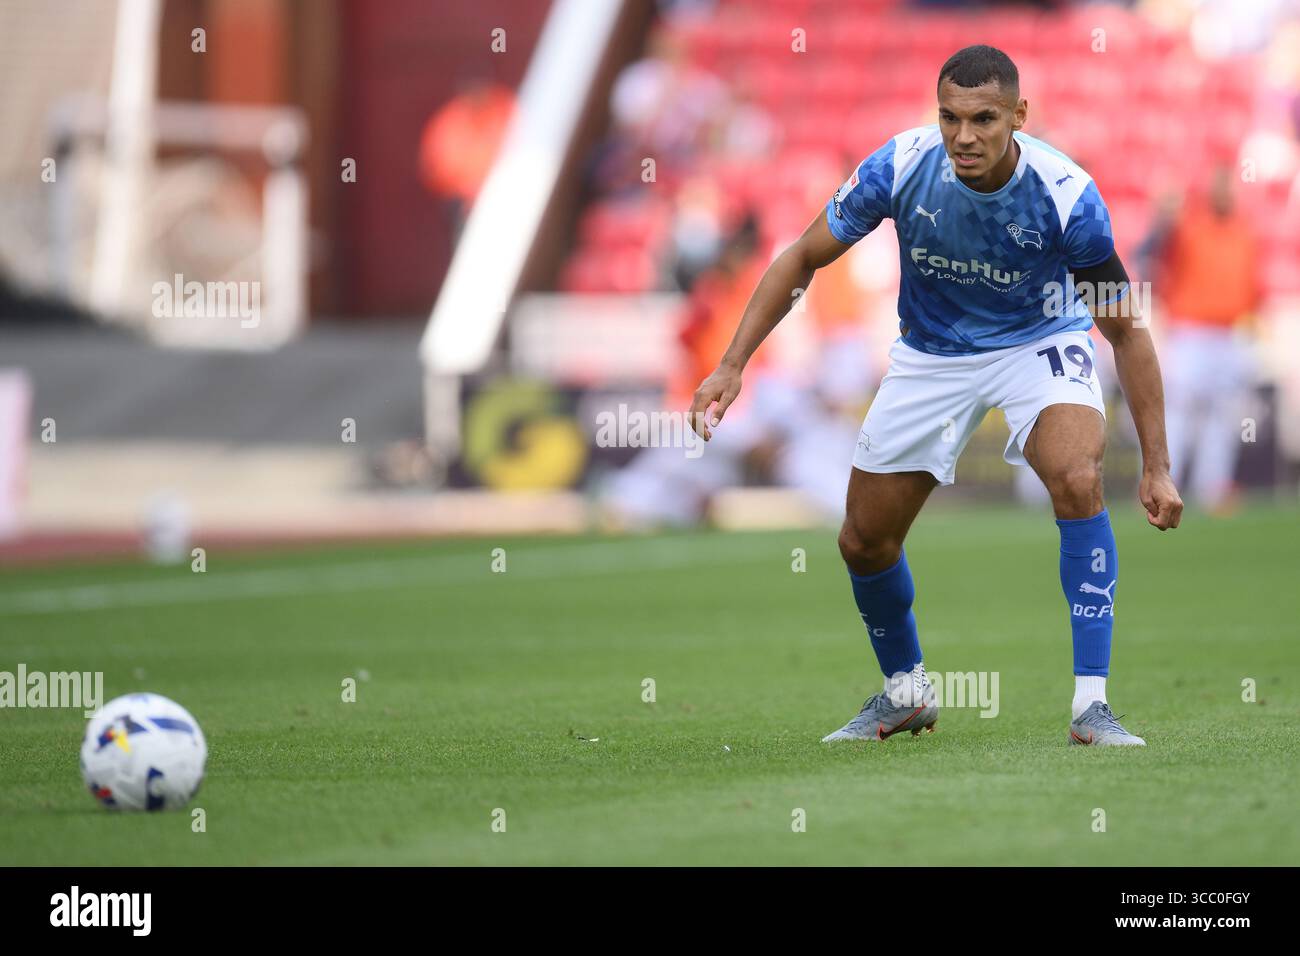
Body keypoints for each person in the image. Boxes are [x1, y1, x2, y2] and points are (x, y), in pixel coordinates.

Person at [686, 45, 1183, 746]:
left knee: (1076, 474)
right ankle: (906, 691)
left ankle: (1091, 706)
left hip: (1036, 342)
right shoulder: (900, 166)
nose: (964, 136)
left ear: (1019, 115)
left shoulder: (1068, 196)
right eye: (950, 116)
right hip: (933, 354)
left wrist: (1157, 465)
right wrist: (734, 362)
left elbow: (1126, 333)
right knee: (863, 540)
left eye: (984, 118)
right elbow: (802, 256)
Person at [1144, 166, 1262, 513]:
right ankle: (1165, 485)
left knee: (1222, 415)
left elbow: (1251, 284)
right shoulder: (1189, 226)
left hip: (1229, 332)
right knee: (1178, 412)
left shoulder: (1244, 231)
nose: (1225, 194)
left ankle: (1214, 486)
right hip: (1191, 332)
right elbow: (1155, 252)